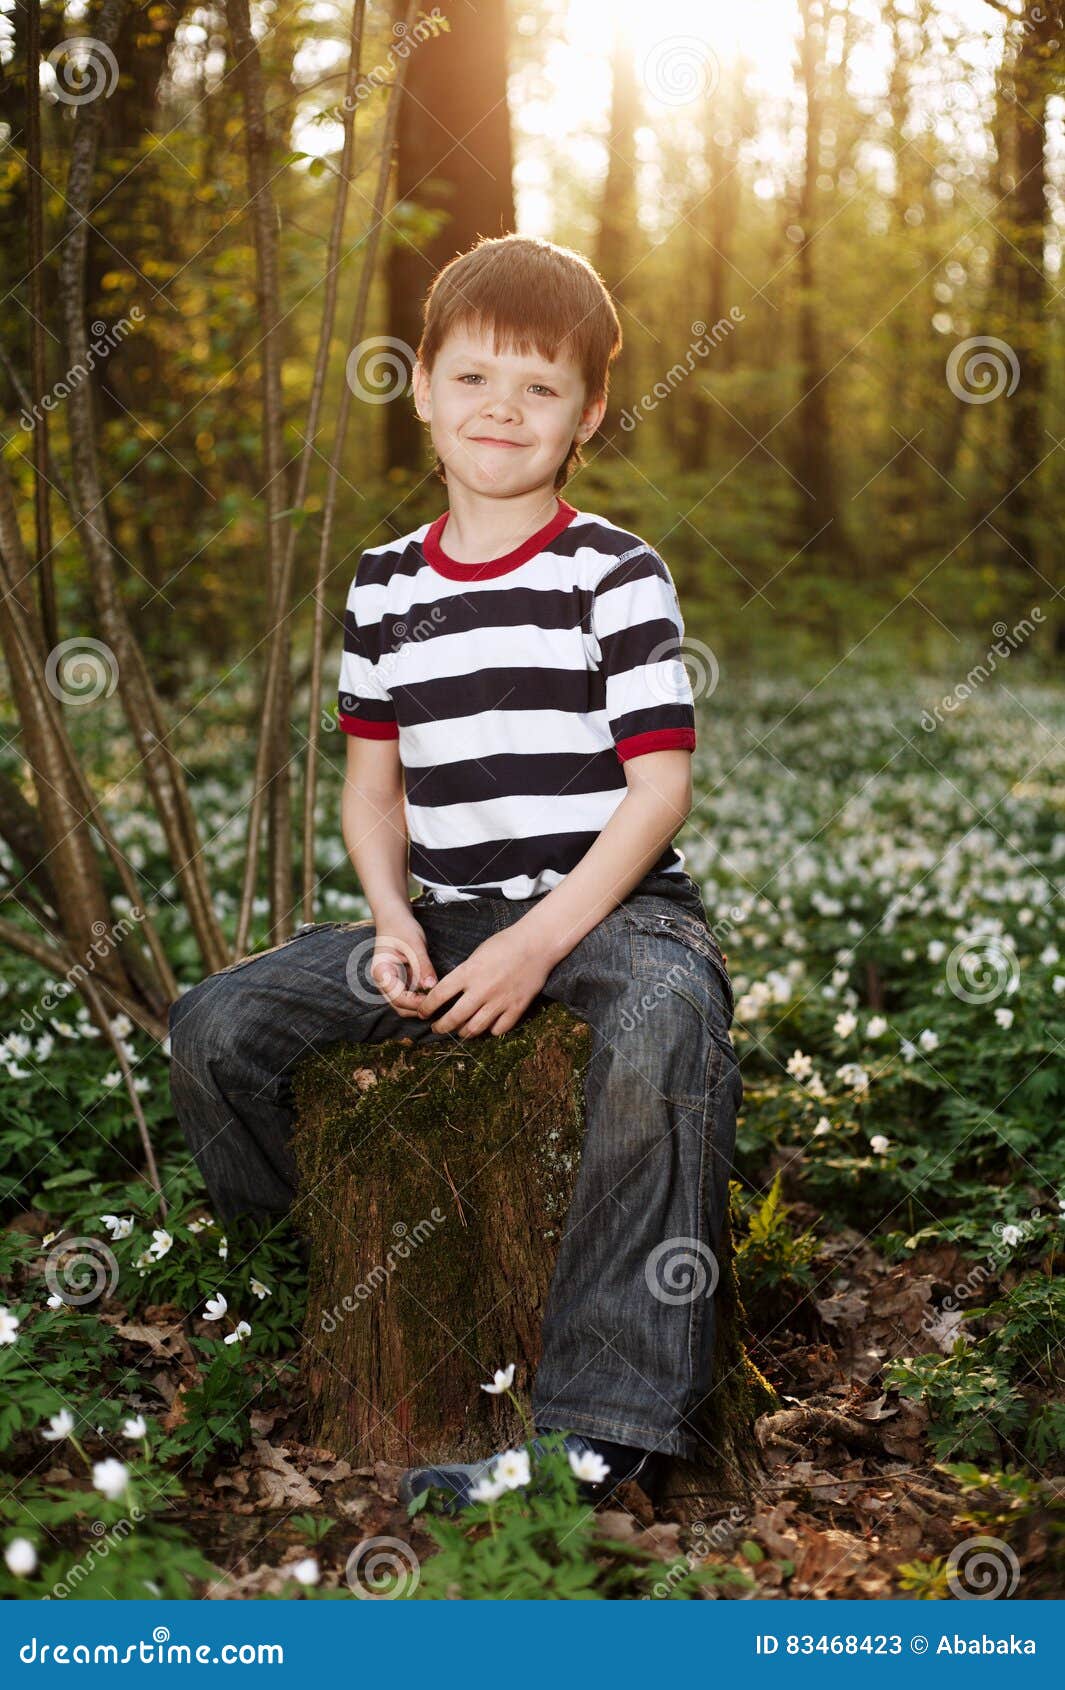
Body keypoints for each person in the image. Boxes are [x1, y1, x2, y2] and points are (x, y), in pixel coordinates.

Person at [168, 233, 742, 1515]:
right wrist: (391, 921)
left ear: (588, 411)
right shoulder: (384, 586)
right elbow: (373, 791)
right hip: (448, 915)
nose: (502, 408)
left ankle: (600, 1432)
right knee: (217, 1026)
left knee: (666, 1024)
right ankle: (303, 1301)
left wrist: (539, 943)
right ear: (421, 385)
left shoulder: (613, 572)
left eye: (540, 387)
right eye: (473, 377)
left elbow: (659, 791)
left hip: (616, 913)